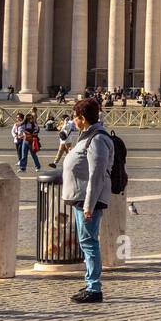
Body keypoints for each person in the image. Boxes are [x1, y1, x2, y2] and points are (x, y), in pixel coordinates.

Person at [61, 97, 114, 303]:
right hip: (80, 197)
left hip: (87, 199)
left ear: (82, 118)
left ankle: (94, 288)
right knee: (86, 242)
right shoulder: (88, 136)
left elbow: (97, 174)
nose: (73, 121)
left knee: (89, 242)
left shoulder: (97, 140)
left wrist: (89, 205)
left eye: (75, 117)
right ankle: (91, 281)